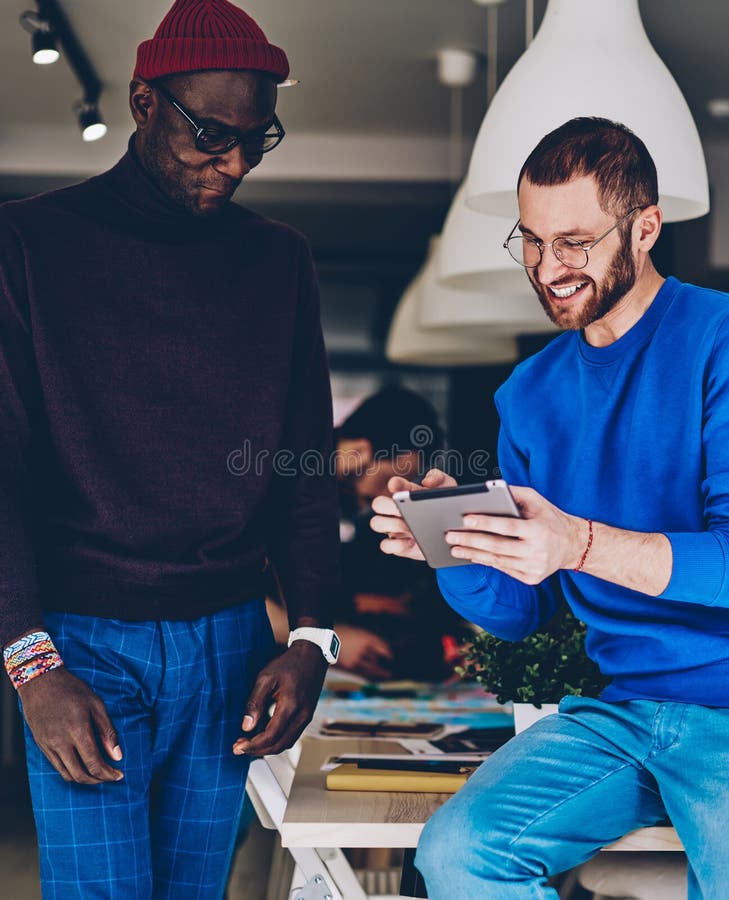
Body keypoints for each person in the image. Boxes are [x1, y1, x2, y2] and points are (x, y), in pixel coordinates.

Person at [0, 1, 340, 897]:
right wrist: (32, 665)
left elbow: (304, 462)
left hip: (231, 644)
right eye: (211, 134)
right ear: (144, 102)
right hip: (81, 643)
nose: (233, 164)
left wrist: (311, 637)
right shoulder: (28, 243)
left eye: (257, 139)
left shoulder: (279, 262)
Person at [371, 117, 729, 898]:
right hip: (623, 713)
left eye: (574, 241)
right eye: (530, 241)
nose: (547, 267)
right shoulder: (527, 395)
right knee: (459, 855)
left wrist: (580, 545)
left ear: (644, 228)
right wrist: (454, 548)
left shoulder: (718, 341)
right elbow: (517, 614)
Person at [265, 387, 467, 681]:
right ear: (359, 451)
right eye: (388, 480)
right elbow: (231, 593)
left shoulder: (326, 501)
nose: (391, 496)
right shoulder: (281, 481)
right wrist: (334, 641)